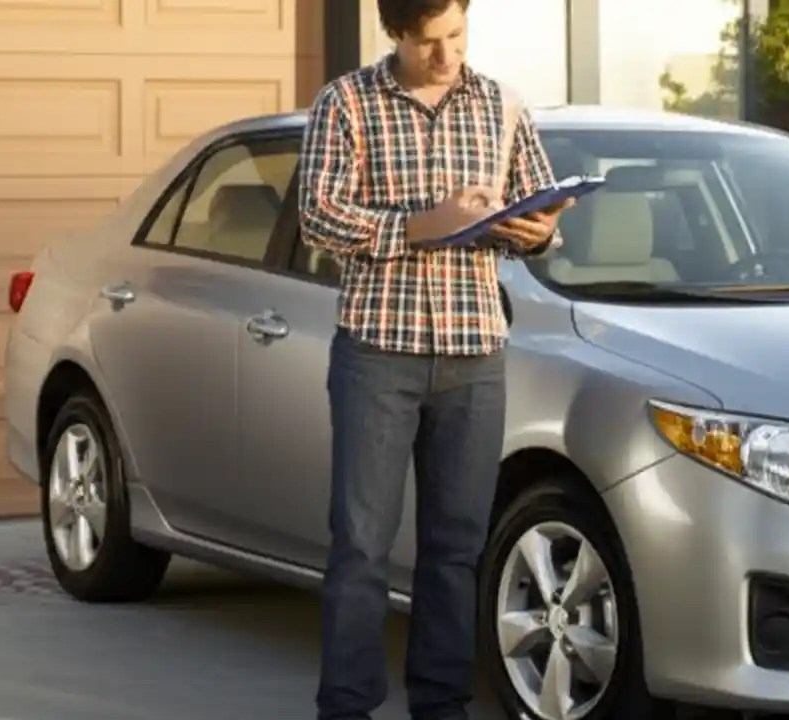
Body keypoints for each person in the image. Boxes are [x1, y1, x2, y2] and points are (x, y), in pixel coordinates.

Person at [295, 1, 574, 718]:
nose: (447, 56)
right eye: (429, 43)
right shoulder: (347, 102)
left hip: (474, 355)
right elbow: (318, 214)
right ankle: (348, 706)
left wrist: (537, 230)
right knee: (360, 546)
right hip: (376, 356)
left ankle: (441, 705)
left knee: (457, 549)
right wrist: (425, 226)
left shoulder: (502, 105)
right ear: (394, 34)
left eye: (456, 36)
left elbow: (535, 220)